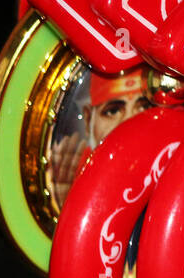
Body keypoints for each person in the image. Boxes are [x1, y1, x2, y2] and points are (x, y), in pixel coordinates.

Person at [50, 69, 152, 209]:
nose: (129, 124)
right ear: (88, 119)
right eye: (113, 111)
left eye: (144, 107)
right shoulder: (75, 177)